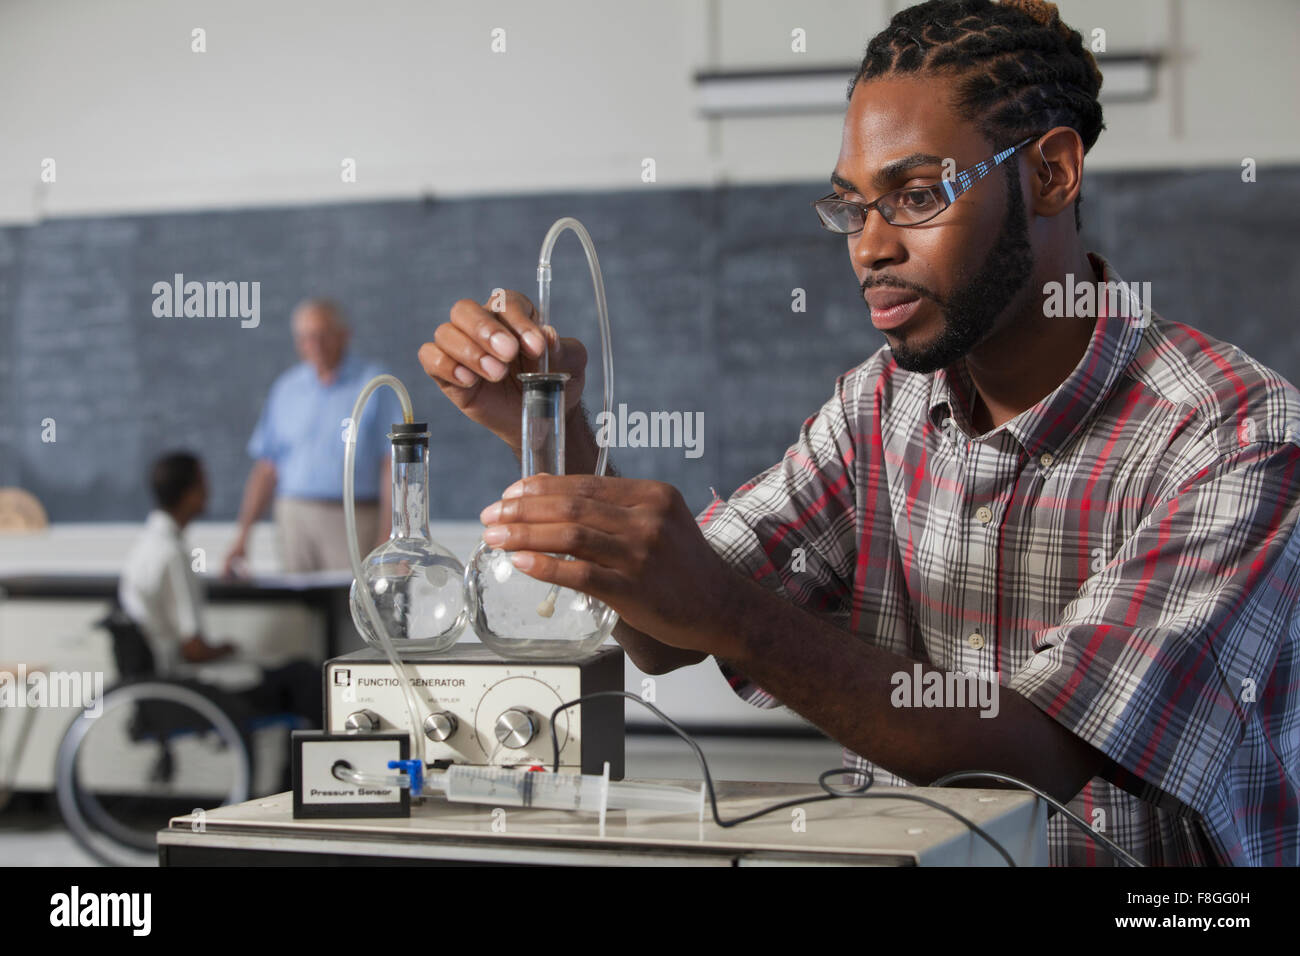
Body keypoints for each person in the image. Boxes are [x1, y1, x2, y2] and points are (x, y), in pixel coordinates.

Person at [417, 0, 1300, 866]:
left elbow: (1037, 754)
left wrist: (731, 614)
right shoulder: (878, 409)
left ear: (1051, 175)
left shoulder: (1234, 435)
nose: (868, 247)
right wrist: (551, 427)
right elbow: (667, 628)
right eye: (851, 208)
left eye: (916, 196)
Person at [120, 451, 321, 727]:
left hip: (158, 680)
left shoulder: (144, 546)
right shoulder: (172, 554)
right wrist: (227, 649)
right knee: (304, 677)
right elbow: (193, 649)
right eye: (204, 483)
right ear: (190, 493)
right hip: (183, 688)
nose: (209, 490)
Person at [223, 298, 402, 576]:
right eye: (306, 337)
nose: (314, 344)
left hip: (352, 518)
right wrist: (243, 535)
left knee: (353, 608)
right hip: (293, 516)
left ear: (344, 335)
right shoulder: (287, 388)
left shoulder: (373, 383)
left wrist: (390, 534)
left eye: (322, 335)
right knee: (298, 609)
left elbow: (391, 463)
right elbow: (267, 466)